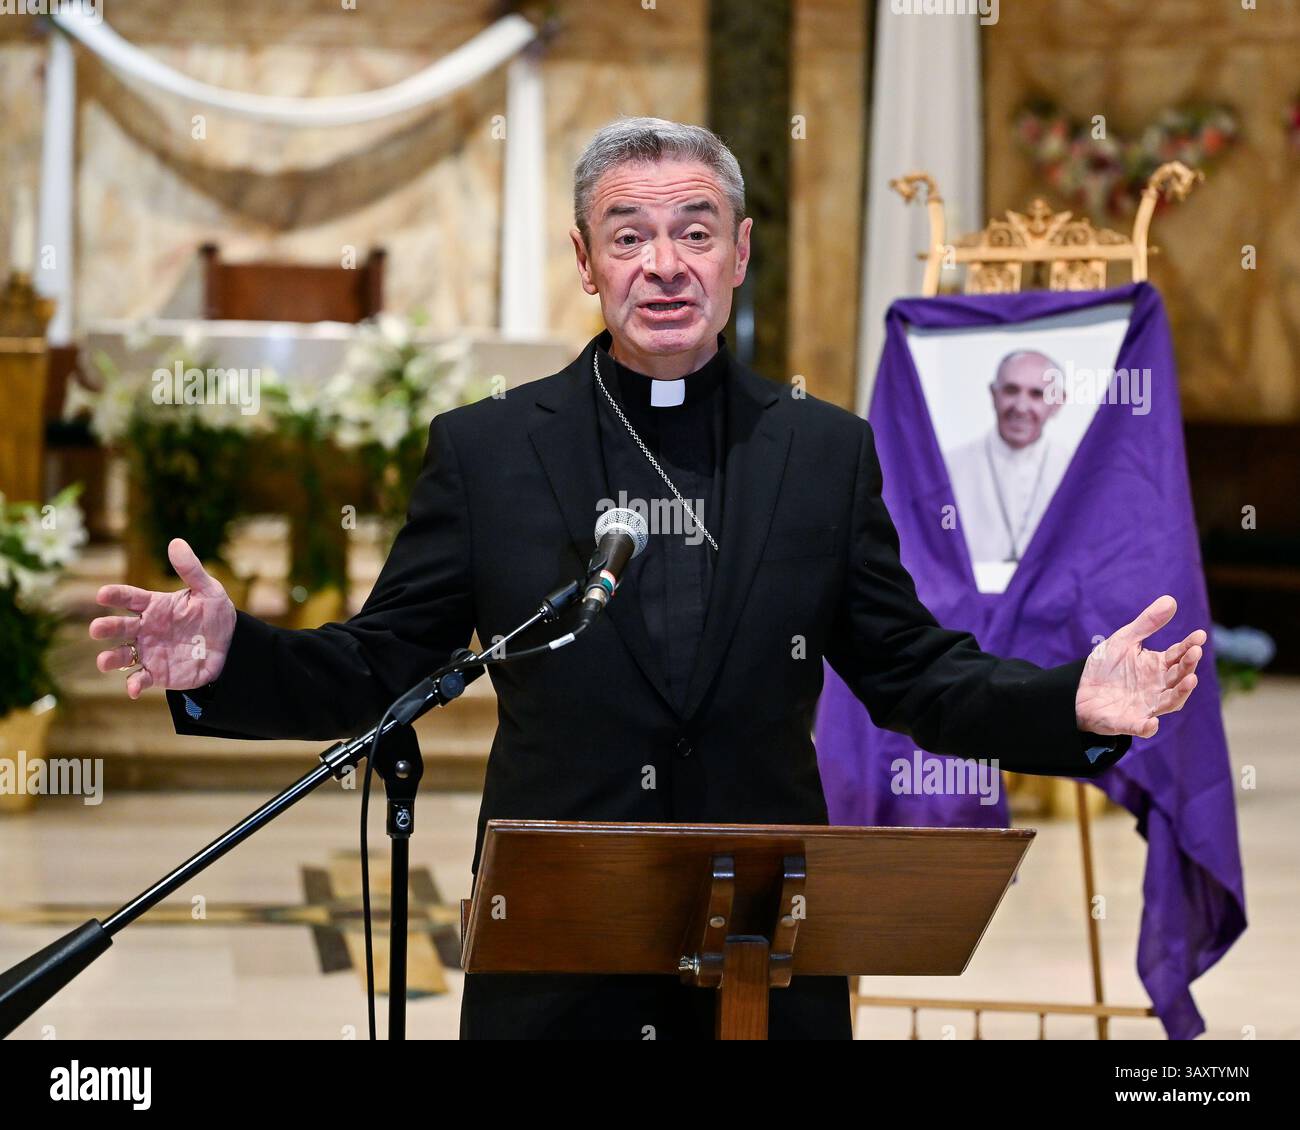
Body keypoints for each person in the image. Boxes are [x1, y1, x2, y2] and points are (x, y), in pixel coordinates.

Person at [89, 117, 1205, 1040]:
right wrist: (233, 662)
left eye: (693, 231)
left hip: (765, 957)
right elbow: (382, 666)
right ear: (584, 261)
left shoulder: (822, 451)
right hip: (557, 961)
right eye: (627, 235)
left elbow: (915, 675)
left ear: (739, 252)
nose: (662, 264)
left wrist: (1070, 701)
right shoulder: (488, 452)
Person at [944, 350, 1073, 591]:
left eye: (1037, 394)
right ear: (993, 394)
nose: (1021, 406)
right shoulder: (949, 468)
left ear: (1057, 402)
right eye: (1011, 390)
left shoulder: (1074, 471)